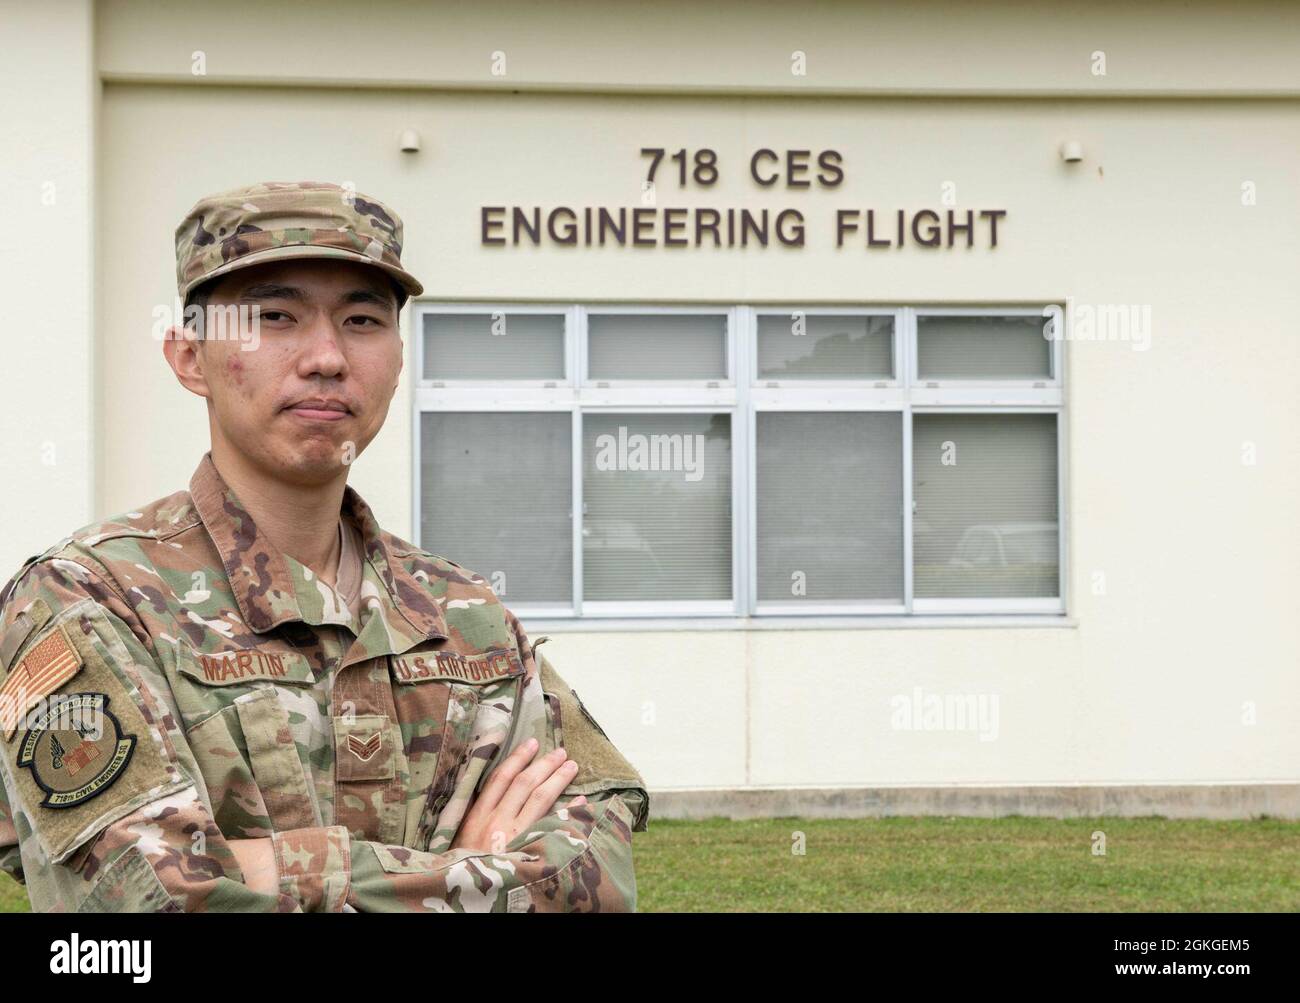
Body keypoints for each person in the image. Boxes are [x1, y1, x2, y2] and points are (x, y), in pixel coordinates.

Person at [0, 181, 648, 912]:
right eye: (275, 316)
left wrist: (272, 870)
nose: (327, 356)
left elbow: (598, 878)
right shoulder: (85, 598)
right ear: (189, 357)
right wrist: (472, 871)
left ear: (398, 362)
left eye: (363, 319)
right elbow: (144, 902)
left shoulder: (466, 612)